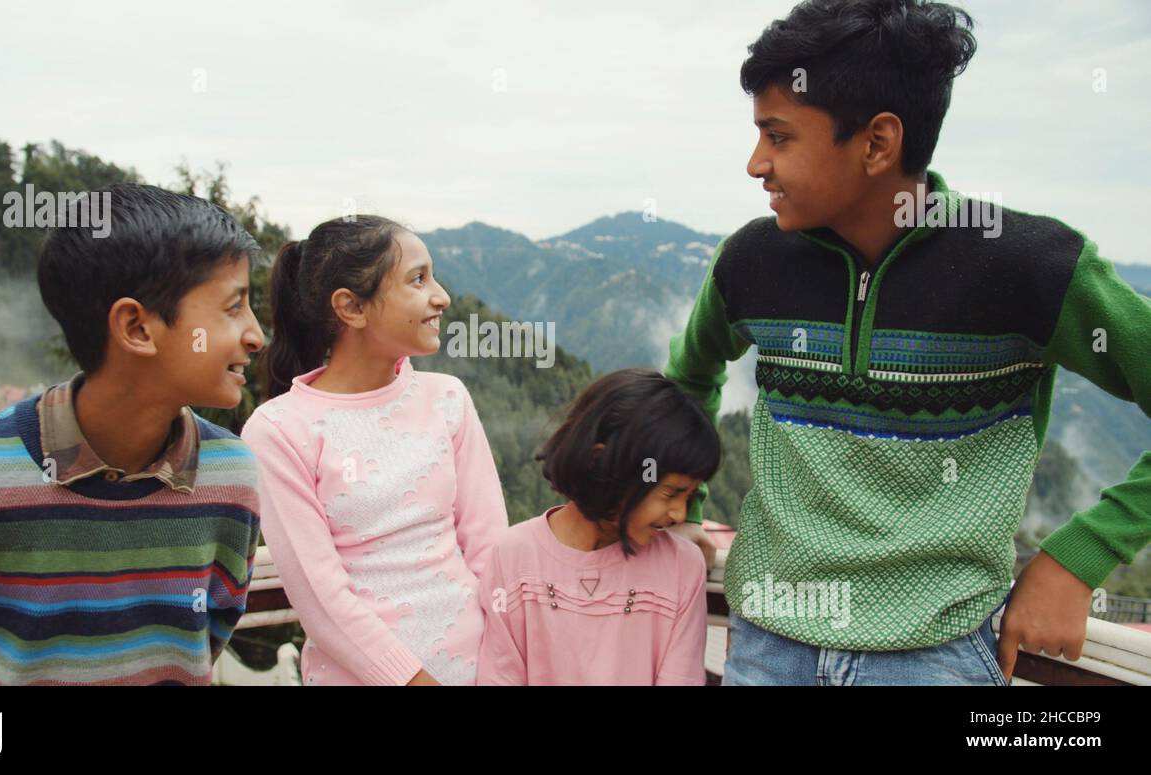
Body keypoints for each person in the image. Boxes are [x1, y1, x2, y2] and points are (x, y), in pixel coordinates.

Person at [666, 0, 1151, 684]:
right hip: (766, 648)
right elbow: (686, 381)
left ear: (877, 142)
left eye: (778, 137)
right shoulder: (751, 262)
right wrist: (677, 505)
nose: (755, 164)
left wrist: (1076, 559)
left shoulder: (1029, 269)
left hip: (936, 657)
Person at [0, 183, 264, 685]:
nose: (256, 334)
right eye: (234, 306)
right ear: (136, 327)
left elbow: (207, 635)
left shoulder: (230, 475)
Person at [241, 215, 509, 685]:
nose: (442, 296)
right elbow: (322, 599)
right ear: (351, 307)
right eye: (418, 279)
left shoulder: (448, 399)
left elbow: (489, 549)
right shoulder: (278, 430)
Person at [477, 369, 718, 685]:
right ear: (603, 463)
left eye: (689, 496)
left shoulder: (682, 569)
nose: (679, 513)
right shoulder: (512, 558)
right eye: (671, 493)